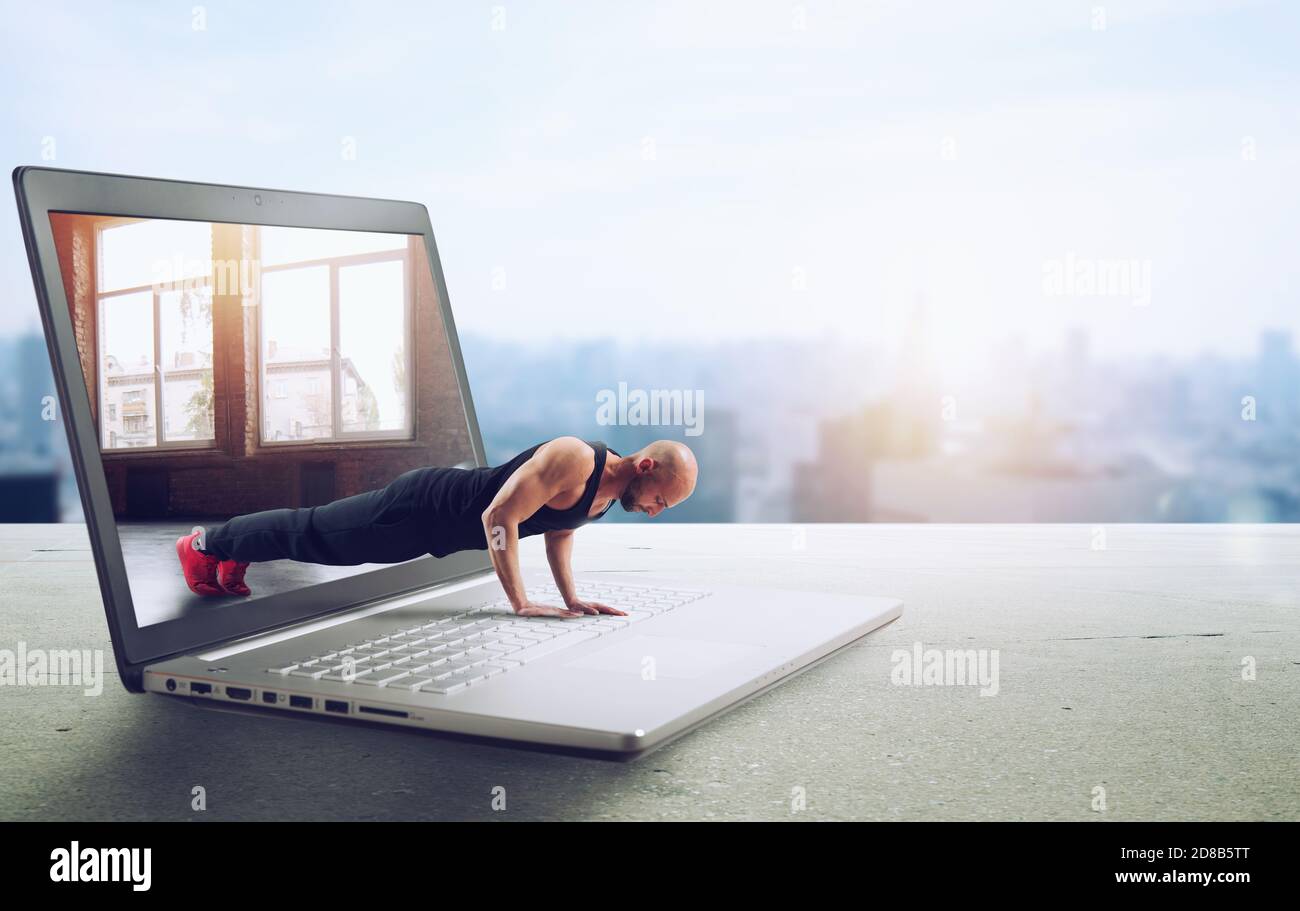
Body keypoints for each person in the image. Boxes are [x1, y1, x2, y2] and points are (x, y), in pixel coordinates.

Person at [175, 436, 698, 618]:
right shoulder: (574, 459)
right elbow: (498, 517)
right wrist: (518, 601)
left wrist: (572, 598)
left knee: (318, 539)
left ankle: (234, 548)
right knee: (316, 535)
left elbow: (558, 532)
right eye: (660, 501)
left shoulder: (604, 498)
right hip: (422, 507)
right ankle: (206, 543)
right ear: (646, 468)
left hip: (432, 533)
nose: (655, 511)